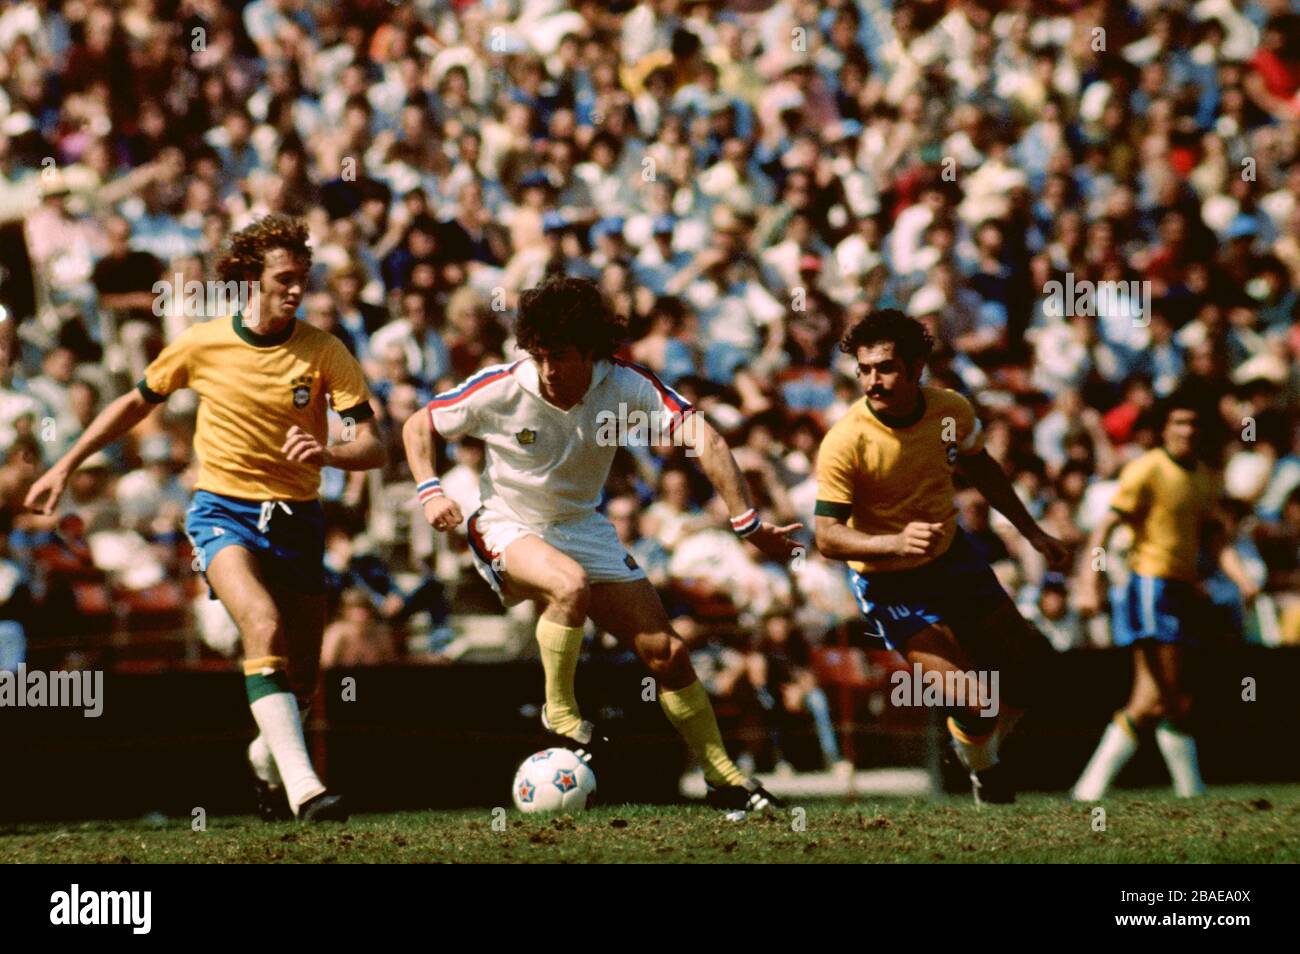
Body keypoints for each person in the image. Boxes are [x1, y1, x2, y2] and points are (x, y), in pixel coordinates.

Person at [25, 214, 386, 822]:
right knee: (261, 623)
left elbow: (374, 446)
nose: (296, 290)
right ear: (251, 278)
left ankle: (268, 758)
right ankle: (306, 790)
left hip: (297, 516)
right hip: (223, 511)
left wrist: (329, 452)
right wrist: (66, 464)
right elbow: (132, 403)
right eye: (285, 278)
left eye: (303, 278)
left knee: (302, 676)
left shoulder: (325, 351)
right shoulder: (203, 342)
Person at [402, 276, 799, 817]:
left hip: (582, 528)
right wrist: (429, 490)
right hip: (505, 522)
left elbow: (702, 434)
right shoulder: (503, 385)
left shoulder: (626, 386)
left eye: (559, 357)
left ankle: (723, 779)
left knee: (669, 653)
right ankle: (559, 713)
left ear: (591, 351)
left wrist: (747, 521)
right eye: (538, 355)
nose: (547, 370)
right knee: (569, 584)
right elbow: (419, 422)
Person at [813, 309, 1069, 805]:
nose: (872, 381)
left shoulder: (951, 411)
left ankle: (976, 750)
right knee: (976, 700)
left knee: (1034, 673)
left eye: (884, 368)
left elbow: (984, 469)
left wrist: (1033, 532)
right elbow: (826, 537)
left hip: (954, 562)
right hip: (890, 584)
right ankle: (986, 775)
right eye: (864, 370)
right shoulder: (846, 441)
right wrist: (893, 543)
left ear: (915, 367)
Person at [1072, 392, 1259, 800]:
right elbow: (1104, 530)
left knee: (1155, 698)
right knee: (1164, 695)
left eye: (1193, 423)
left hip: (1182, 590)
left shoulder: (1204, 478)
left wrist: (1244, 581)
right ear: (1163, 429)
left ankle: (1092, 791)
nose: (1186, 431)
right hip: (1149, 588)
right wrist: (1090, 580)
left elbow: (1216, 541)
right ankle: (1186, 790)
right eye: (1178, 422)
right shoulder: (1146, 470)